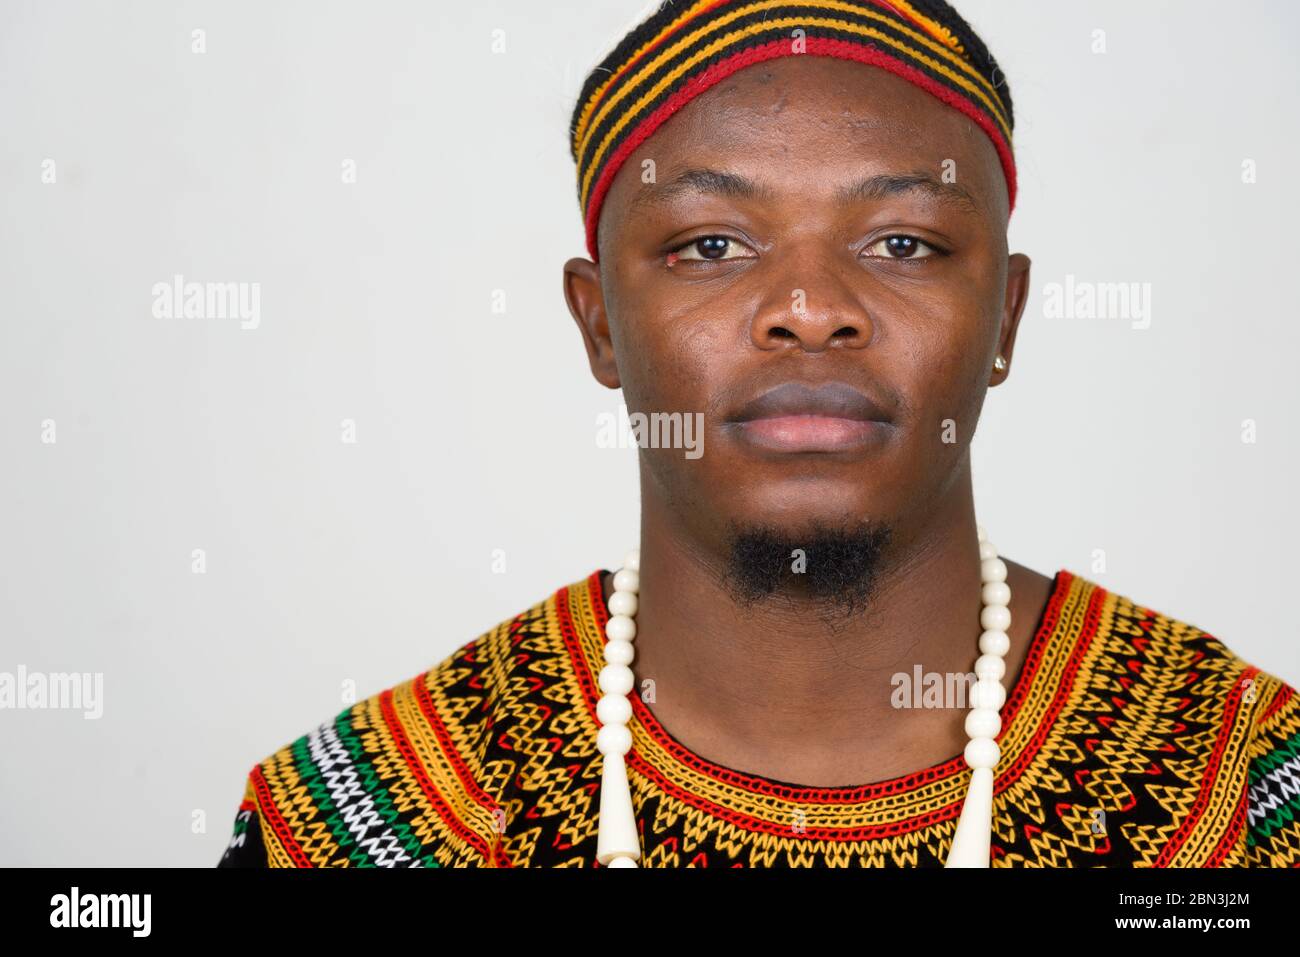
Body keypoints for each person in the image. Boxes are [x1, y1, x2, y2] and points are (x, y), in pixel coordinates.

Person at [217, 0, 1300, 867]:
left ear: (1005, 318)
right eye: (712, 244)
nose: (809, 306)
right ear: (600, 326)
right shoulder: (371, 824)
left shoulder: (1240, 787)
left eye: (906, 242)